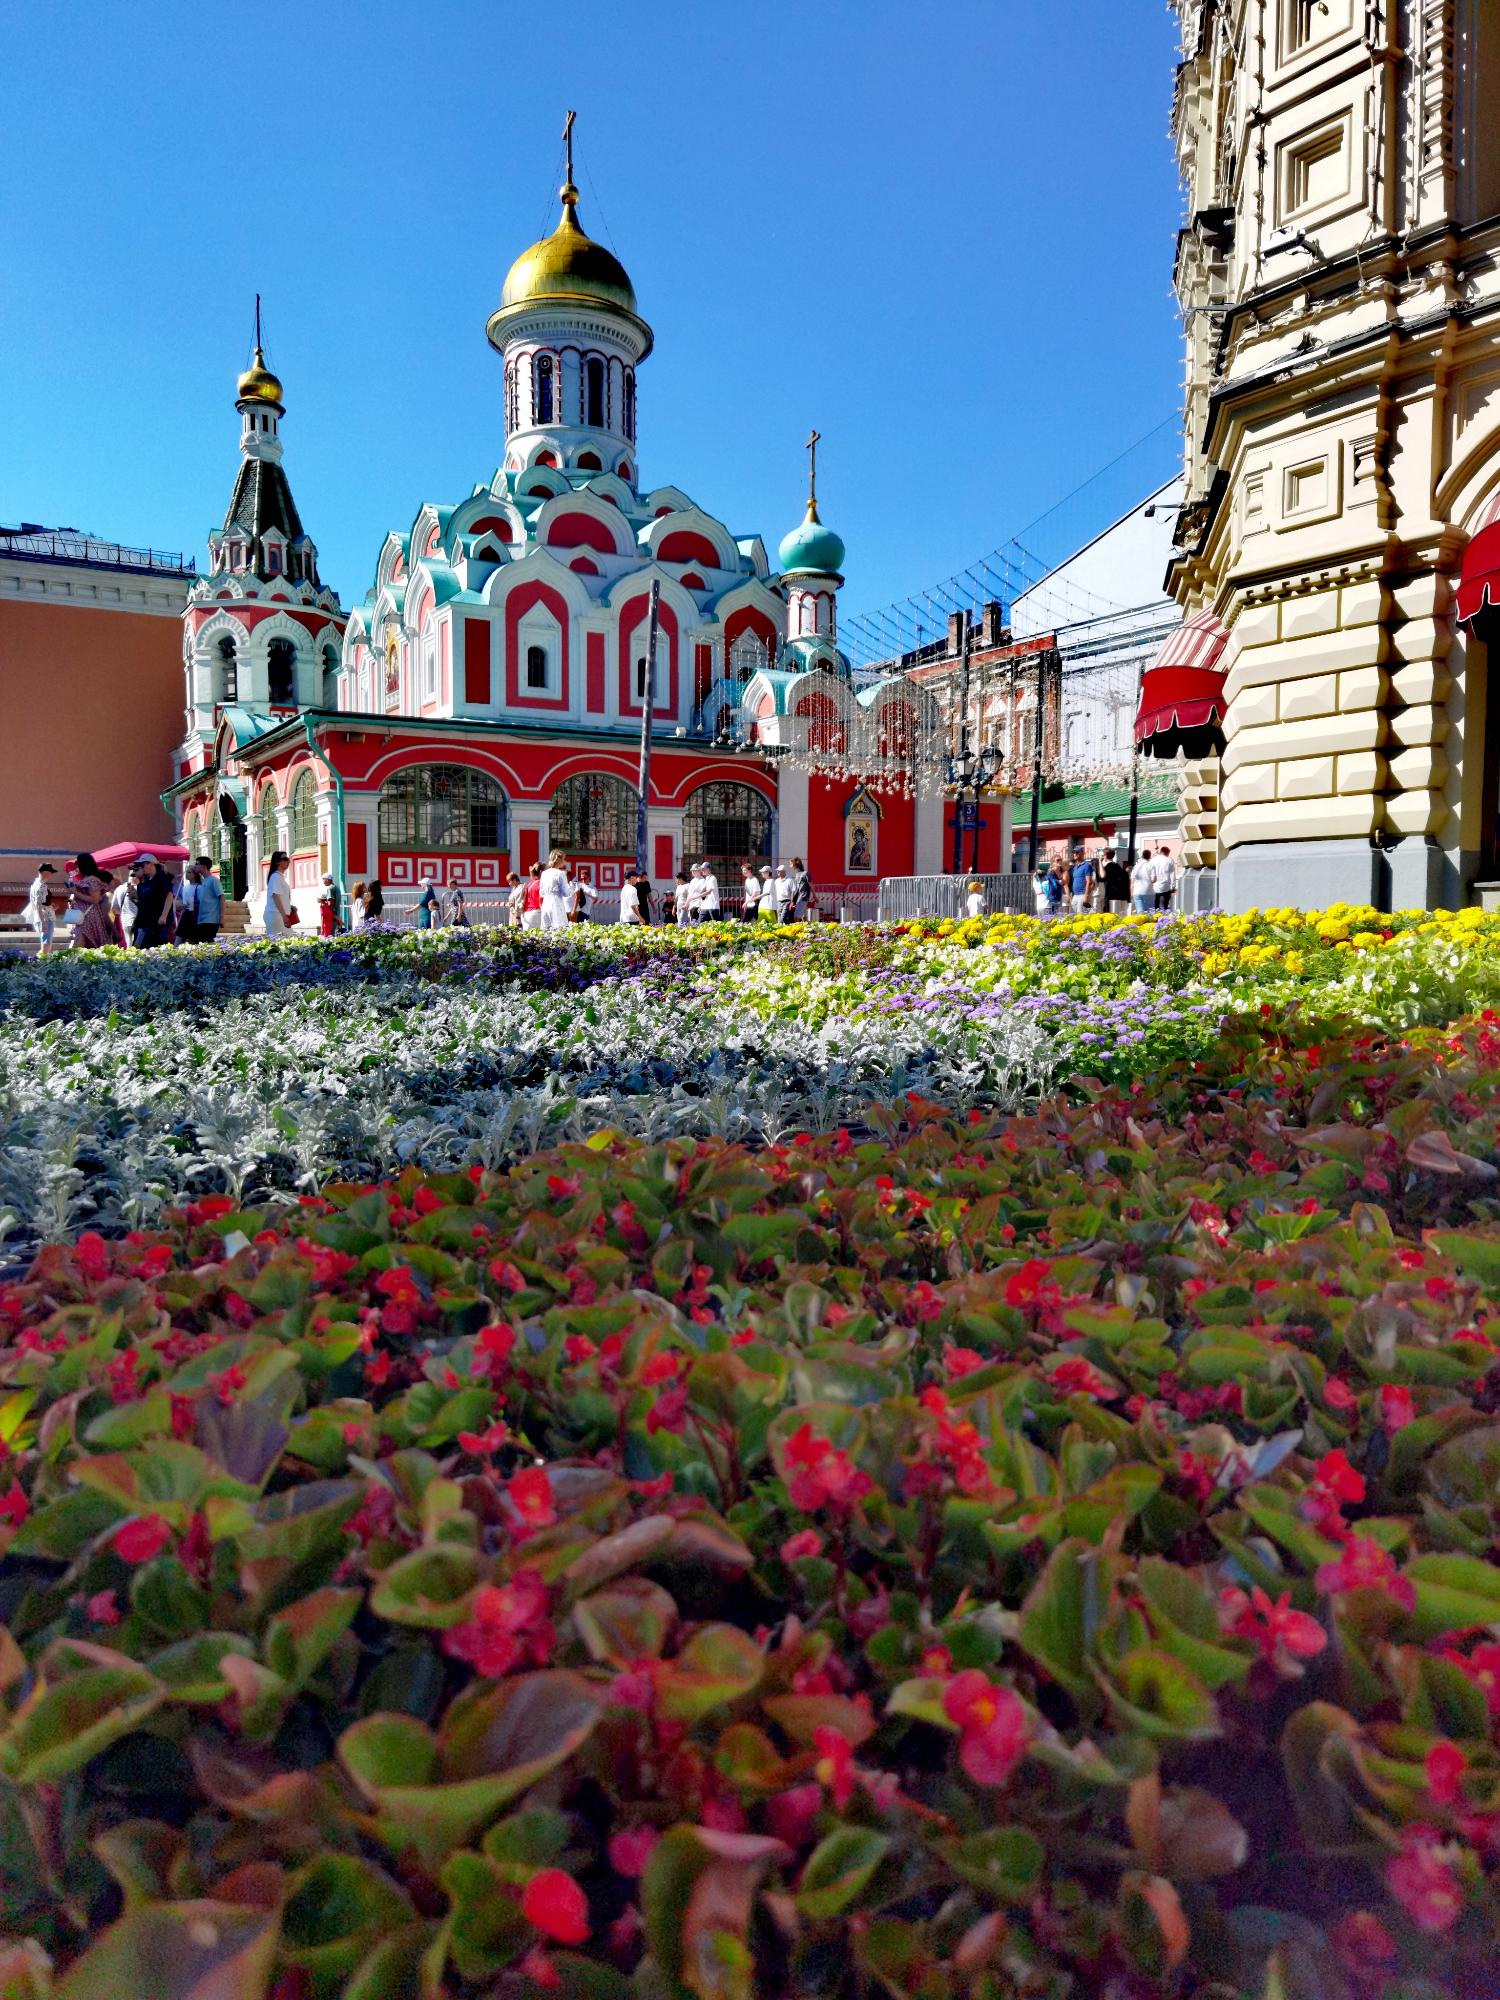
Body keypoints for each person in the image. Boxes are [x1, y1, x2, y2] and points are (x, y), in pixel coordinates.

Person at [133, 854, 175, 948]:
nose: (141, 868)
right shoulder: (146, 881)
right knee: (145, 947)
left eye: (142, 865)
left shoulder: (161, 878)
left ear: (150, 864)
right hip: (148, 920)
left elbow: (169, 895)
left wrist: (163, 916)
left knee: (156, 947)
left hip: (159, 920)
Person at [73, 869, 115, 950]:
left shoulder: (86, 890)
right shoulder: (103, 897)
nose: (109, 888)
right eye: (109, 885)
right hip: (97, 926)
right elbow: (105, 916)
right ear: (104, 883)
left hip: (89, 923)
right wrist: (115, 931)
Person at [25, 863, 57, 956]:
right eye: (51, 872)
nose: (52, 874)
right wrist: (43, 922)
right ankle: (38, 965)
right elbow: (38, 904)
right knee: (46, 946)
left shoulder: (35, 884)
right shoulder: (41, 886)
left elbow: (39, 903)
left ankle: (39, 963)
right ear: (44, 872)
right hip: (46, 918)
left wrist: (50, 905)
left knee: (46, 945)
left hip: (41, 917)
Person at [262, 851, 295, 938]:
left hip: (279, 914)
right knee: (281, 943)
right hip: (276, 915)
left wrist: (289, 907)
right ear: (278, 862)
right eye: (285, 859)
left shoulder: (279, 877)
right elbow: (275, 897)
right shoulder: (275, 877)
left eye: (288, 859)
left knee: (285, 941)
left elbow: (281, 897)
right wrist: (284, 916)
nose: (289, 861)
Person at [110, 864, 141, 946]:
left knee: (128, 944)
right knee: (137, 945)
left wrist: (121, 913)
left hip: (124, 919)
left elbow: (114, 907)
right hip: (138, 920)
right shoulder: (139, 888)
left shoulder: (119, 888)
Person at [539, 850, 569, 932]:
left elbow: (541, 893)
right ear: (558, 860)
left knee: (546, 931)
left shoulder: (544, 873)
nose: (564, 861)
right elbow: (566, 893)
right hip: (556, 903)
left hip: (546, 903)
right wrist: (571, 887)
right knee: (559, 931)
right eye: (563, 859)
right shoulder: (560, 873)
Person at [196, 862, 224, 942]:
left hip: (211, 919)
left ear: (204, 866)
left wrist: (221, 917)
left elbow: (221, 897)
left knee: (207, 943)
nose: (195, 866)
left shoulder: (213, 880)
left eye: (197, 864)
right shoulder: (203, 881)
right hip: (202, 919)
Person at [1130, 847, 1156, 915]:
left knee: (1140, 913)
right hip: (1148, 891)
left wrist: (1131, 893)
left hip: (1137, 892)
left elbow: (1132, 882)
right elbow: (1153, 880)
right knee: (1149, 913)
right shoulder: (1151, 865)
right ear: (1149, 856)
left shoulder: (1136, 867)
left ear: (1142, 856)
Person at [1069, 850, 1095, 916]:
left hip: (1082, 894)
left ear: (1082, 854)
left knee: (1080, 916)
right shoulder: (1075, 867)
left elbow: (1089, 882)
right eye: (1074, 853)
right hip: (1075, 895)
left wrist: (1086, 895)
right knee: (1076, 915)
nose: (1075, 854)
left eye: (1077, 852)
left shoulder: (1086, 865)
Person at [787, 856, 812, 923]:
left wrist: (815, 896)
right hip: (799, 898)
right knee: (804, 917)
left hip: (803, 897)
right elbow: (797, 889)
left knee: (796, 916)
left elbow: (811, 885)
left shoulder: (805, 873)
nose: (790, 866)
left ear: (795, 864)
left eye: (791, 864)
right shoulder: (797, 874)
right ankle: (810, 930)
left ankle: (799, 931)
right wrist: (793, 900)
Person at [1152, 846, 1177, 911]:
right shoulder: (1169, 860)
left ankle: (1155, 918)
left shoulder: (1153, 860)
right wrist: (1173, 886)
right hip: (1166, 886)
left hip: (1155, 887)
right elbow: (1172, 874)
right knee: (1165, 907)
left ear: (1160, 852)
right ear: (1167, 853)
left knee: (1155, 906)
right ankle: (1164, 918)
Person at [520, 862, 544, 931]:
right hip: (537, 913)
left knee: (528, 939)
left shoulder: (529, 883)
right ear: (541, 872)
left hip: (526, 914)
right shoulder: (541, 883)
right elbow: (541, 900)